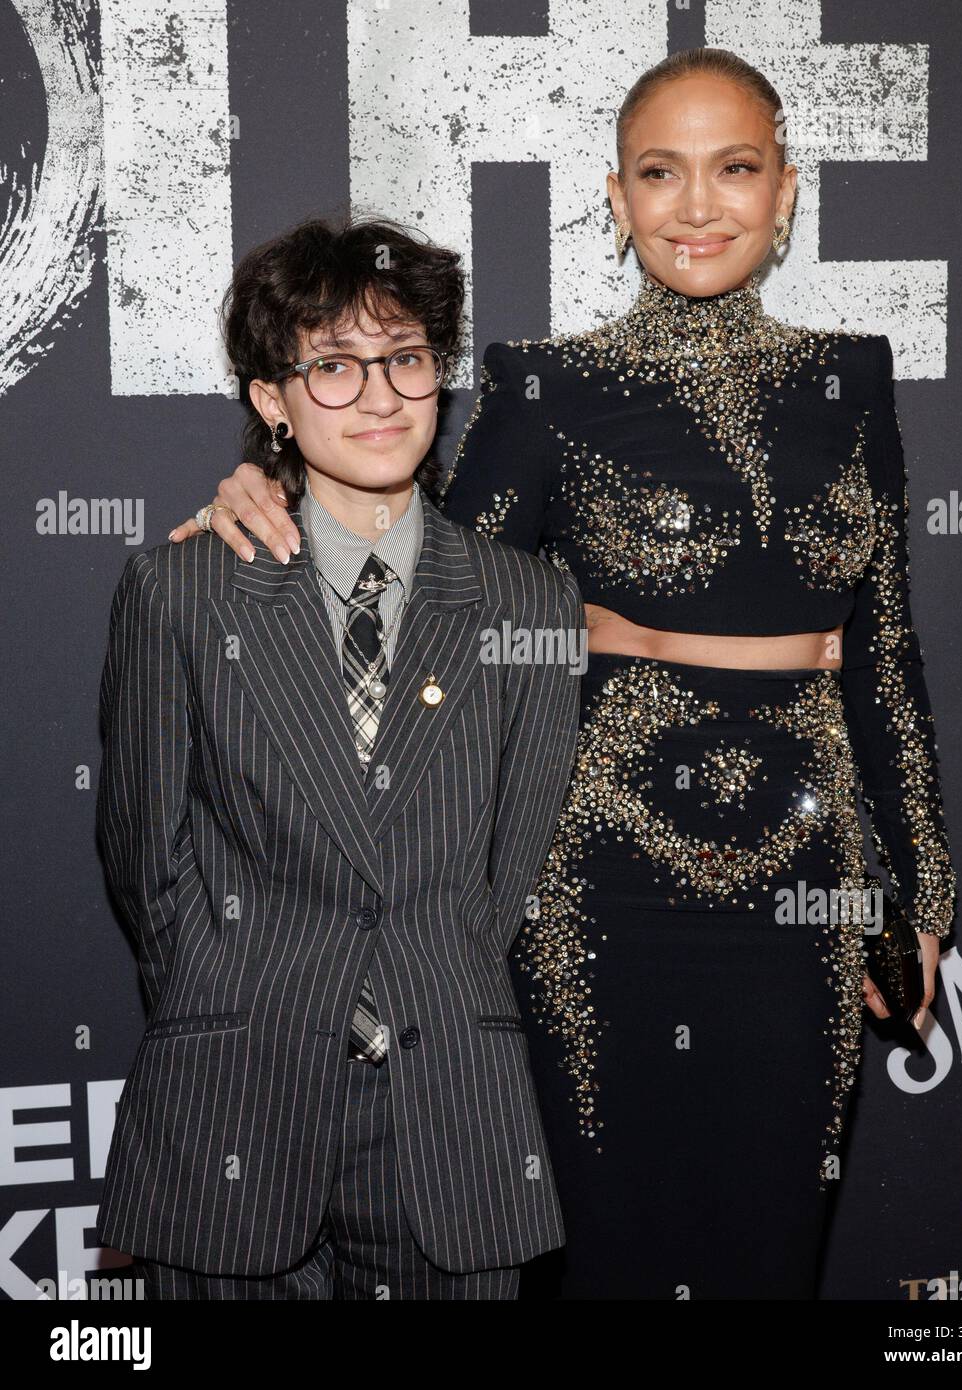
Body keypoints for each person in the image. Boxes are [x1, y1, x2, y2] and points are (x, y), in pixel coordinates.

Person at [167, 48, 958, 1300]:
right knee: (607, 1247)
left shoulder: (854, 378)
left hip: (807, 887)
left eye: (734, 169)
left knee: (770, 1246)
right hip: (601, 888)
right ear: (615, 196)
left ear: (788, 190)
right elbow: (433, 574)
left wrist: (920, 882)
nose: (697, 205)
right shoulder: (553, 385)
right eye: (661, 173)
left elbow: (883, 649)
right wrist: (264, 487)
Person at [95, 214, 584, 1299]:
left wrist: (423, 978)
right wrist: (242, 999)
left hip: (449, 1114)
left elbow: (509, 875)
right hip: (235, 1093)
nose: (378, 395)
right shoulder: (179, 591)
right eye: (333, 365)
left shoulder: (529, 600)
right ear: (270, 398)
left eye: (405, 358)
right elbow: (144, 861)